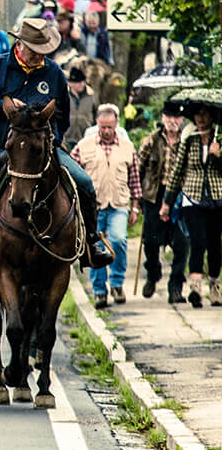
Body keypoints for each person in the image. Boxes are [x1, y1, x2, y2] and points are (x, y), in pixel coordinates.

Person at [0, 17, 116, 283]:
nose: (40, 57)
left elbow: (62, 117)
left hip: (41, 150)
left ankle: (91, 243)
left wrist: (49, 139)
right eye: (35, 51)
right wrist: (1, 106)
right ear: (20, 44)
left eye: (44, 51)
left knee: (84, 183)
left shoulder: (54, 73)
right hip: (0, 145)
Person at [73, 104, 139, 306]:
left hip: (119, 203)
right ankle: (99, 290)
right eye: (103, 127)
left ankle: (117, 283)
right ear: (97, 125)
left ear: (116, 125)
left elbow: (135, 178)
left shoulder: (127, 147)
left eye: (110, 127)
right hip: (93, 207)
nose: (107, 131)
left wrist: (135, 206)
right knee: (96, 248)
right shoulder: (84, 146)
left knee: (118, 240)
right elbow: (72, 173)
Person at [161, 101, 222, 308]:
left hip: (217, 197)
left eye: (205, 115)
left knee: (215, 243)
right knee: (198, 241)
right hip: (192, 196)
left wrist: (218, 155)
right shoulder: (189, 139)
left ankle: (215, 287)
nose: (201, 119)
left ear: (212, 116)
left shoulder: (219, 138)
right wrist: (167, 203)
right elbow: (177, 171)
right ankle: (195, 288)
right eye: (198, 115)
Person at [138, 100, 191, 305]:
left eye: (177, 118)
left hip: (180, 196)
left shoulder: (187, 141)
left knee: (181, 243)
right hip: (154, 194)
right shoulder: (150, 141)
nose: (173, 121)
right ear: (162, 118)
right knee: (150, 242)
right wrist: (137, 199)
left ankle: (176, 287)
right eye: (169, 117)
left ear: (182, 119)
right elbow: (138, 171)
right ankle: (153, 273)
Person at [65, 65, 97, 143]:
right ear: (70, 83)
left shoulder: (92, 96)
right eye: (79, 82)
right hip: (66, 139)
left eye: (83, 81)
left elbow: (97, 115)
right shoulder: (63, 96)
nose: (82, 84)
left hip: (87, 139)